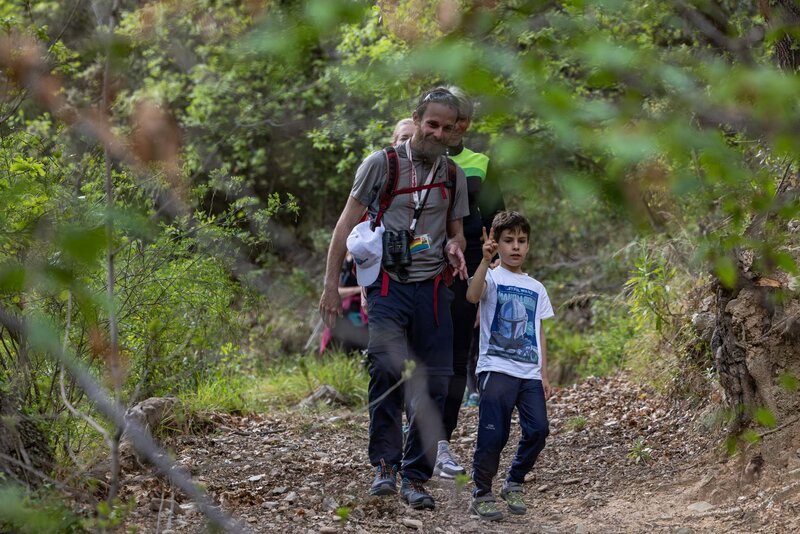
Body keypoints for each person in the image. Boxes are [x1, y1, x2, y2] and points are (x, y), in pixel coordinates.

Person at [319, 87, 469, 510]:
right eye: (431, 124)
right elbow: (344, 225)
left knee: (437, 381)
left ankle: (416, 476)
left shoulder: (453, 175)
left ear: (455, 130)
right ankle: (385, 465)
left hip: (434, 289)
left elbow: (455, 232)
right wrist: (331, 286)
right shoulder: (381, 165)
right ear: (417, 120)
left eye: (446, 127)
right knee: (385, 371)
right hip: (387, 288)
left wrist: (456, 246)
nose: (437, 133)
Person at [434, 86, 506, 479]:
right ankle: (415, 430)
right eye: (451, 116)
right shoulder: (415, 159)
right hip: (424, 261)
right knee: (426, 349)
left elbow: (497, 220)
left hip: (470, 265)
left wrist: (492, 275)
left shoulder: (480, 161)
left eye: (463, 118)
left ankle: (442, 440)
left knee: (459, 351)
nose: (456, 125)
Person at [465, 210, 554, 521]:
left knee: (539, 429)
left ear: (528, 246)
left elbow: (538, 330)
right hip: (496, 369)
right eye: (508, 241)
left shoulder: (537, 287)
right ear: (497, 244)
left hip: (528, 373)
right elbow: (472, 295)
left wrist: (544, 373)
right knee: (494, 434)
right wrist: (482, 261)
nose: (515, 247)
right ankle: (481, 491)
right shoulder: (490, 276)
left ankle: (514, 480)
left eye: (521, 241)